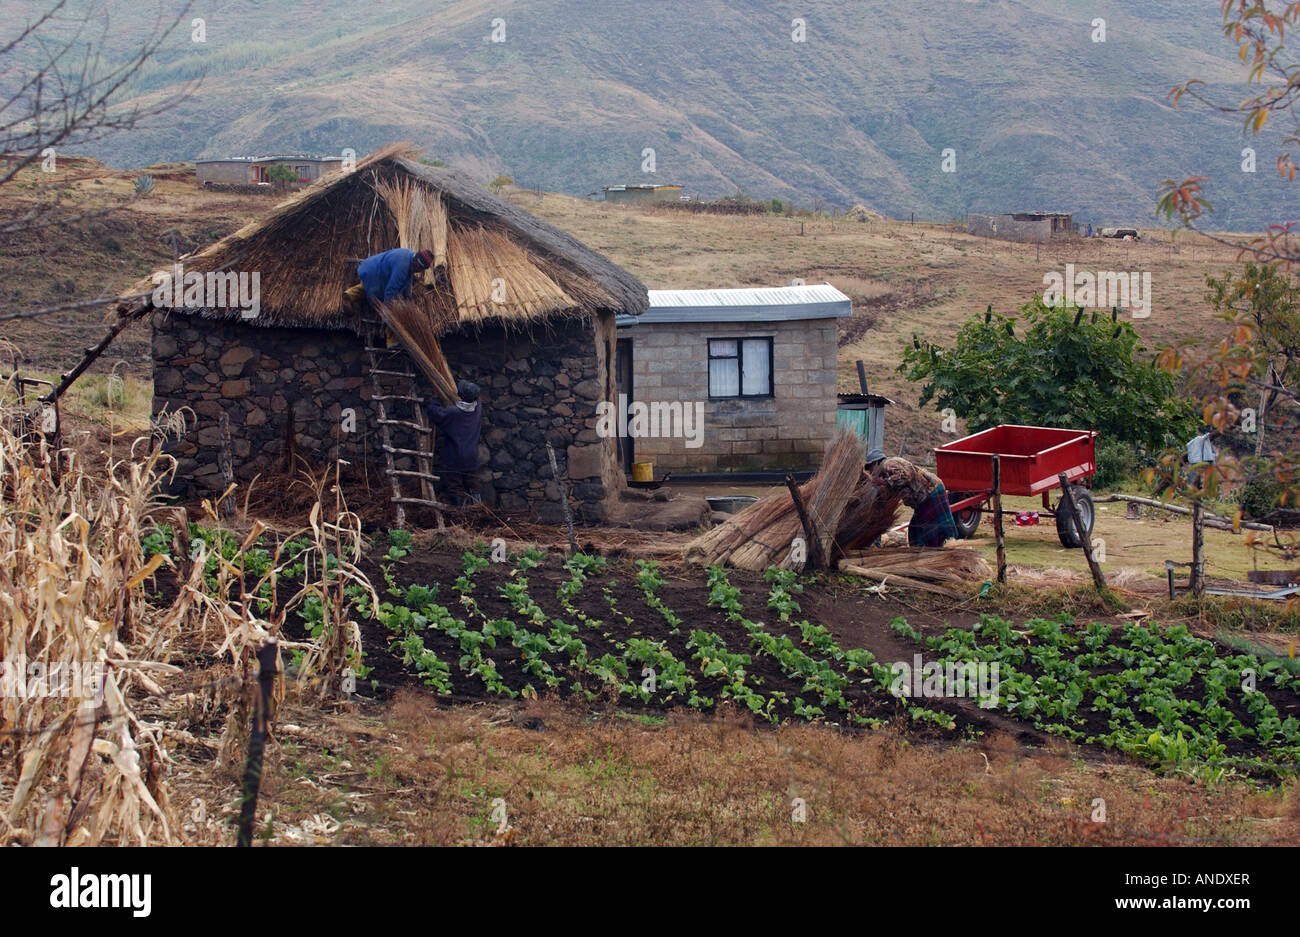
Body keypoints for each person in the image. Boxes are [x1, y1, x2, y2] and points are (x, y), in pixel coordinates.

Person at [428, 379, 483, 505]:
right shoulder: (478, 409)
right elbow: (478, 399)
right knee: (473, 483)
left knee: (455, 484)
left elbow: (435, 413)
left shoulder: (453, 412)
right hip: (471, 456)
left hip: (454, 455)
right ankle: (479, 508)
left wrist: (434, 400)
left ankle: (460, 512)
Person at [355, 247, 435, 305]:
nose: (417, 269)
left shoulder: (411, 257)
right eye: (417, 266)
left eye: (420, 269)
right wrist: (388, 312)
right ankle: (348, 297)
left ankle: (350, 295)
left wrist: (408, 297)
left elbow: (408, 279)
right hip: (371, 271)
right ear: (415, 259)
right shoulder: (403, 266)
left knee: (376, 293)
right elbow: (391, 290)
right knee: (374, 299)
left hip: (378, 271)